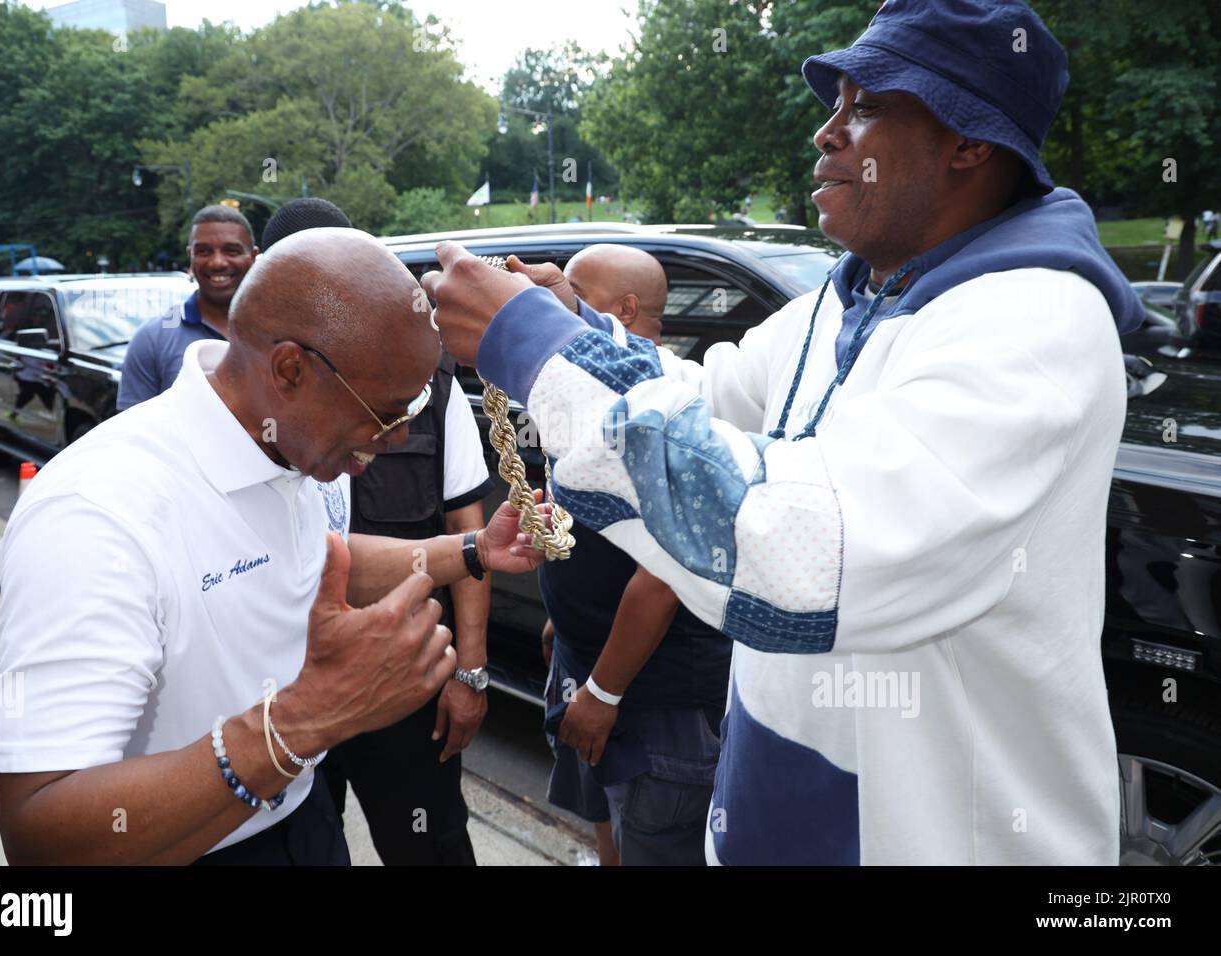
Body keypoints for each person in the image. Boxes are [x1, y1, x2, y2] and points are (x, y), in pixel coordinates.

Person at [424, 0, 1145, 865]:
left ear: (971, 141)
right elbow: (705, 397)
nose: (825, 133)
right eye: (833, 104)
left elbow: (800, 554)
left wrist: (532, 347)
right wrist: (575, 323)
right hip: (788, 802)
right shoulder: (849, 299)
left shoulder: (1032, 323)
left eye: (867, 105)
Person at [0, 228, 551, 864]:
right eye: (388, 411)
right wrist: (309, 719)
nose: (397, 437)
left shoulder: (277, 444)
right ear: (289, 369)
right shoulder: (96, 513)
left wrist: (475, 549)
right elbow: (42, 832)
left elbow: (317, 563)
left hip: (299, 818)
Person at [257, 197, 497, 865]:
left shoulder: (428, 380)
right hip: (284, 688)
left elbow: (465, 523)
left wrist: (470, 673)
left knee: (429, 846)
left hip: (404, 682)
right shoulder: (246, 396)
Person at [540, 244, 730, 866]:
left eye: (573, 290)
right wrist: (562, 618)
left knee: (653, 836)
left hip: (651, 694)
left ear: (621, 309)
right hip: (587, 663)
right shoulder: (589, 381)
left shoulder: (665, 402)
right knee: (605, 821)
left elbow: (668, 570)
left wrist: (604, 691)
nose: (553, 302)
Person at [117, 205, 258, 410]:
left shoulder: (282, 330)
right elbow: (132, 432)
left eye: (232, 251)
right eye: (204, 252)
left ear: (253, 257)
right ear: (190, 256)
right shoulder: (153, 338)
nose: (217, 262)